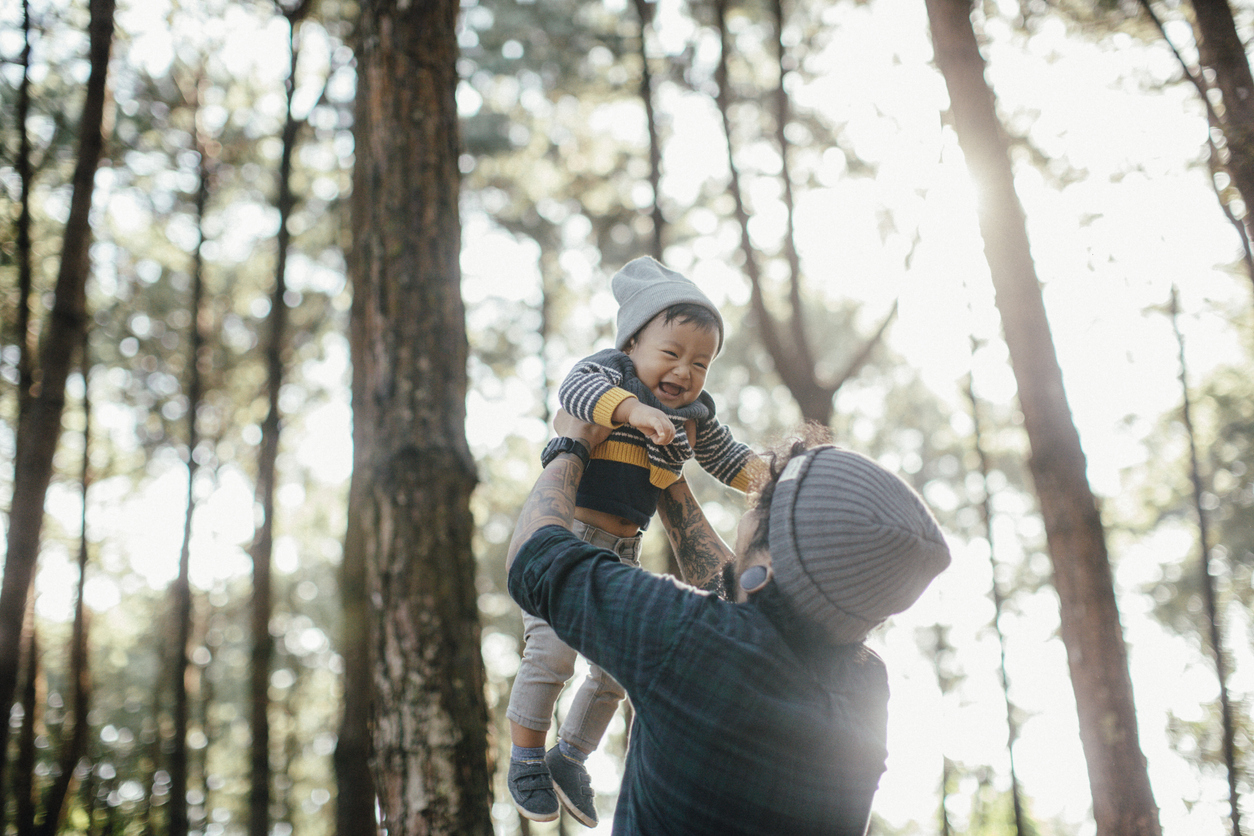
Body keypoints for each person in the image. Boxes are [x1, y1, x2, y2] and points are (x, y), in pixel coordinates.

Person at [506, 415, 952, 836]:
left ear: (771, 558)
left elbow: (534, 557)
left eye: (767, 498)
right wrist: (667, 476)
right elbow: (749, 605)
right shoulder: (866, 685)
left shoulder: (688, 639)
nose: (754, 499)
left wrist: (572, 444)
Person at [505, 256, 762, 826]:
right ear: (633, 346)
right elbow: (574, 392)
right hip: (569, 535)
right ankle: (525, 754)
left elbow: (726, 459)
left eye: (701, 363)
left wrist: (770, 477)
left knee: (617, 666)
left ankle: (570, 754)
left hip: (623, 550)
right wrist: (633, 410)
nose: (684, 371)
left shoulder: (692, 414)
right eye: (671, 353)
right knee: (551, 652)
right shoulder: (611, 375)